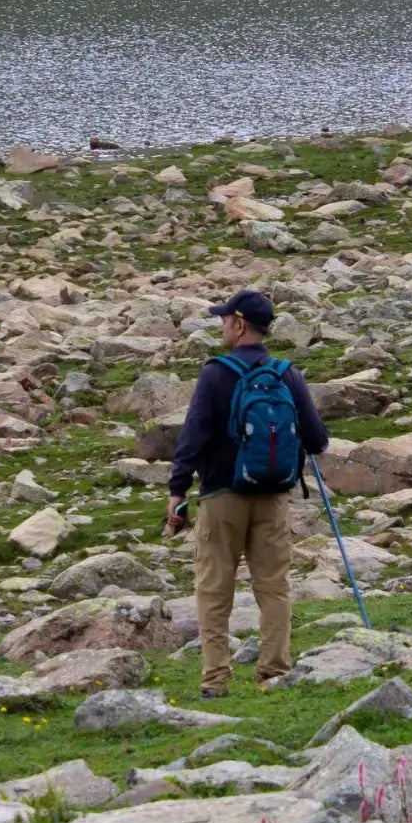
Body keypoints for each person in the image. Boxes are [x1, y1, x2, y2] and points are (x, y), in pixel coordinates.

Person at [168, 289, 329, 699]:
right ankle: (274, 673)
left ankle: (215, 681)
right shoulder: (286, 373)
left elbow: (193, 435)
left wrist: (177, 489)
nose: (221, 325)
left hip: (222, 495)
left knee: (214, 587)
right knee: (273, 585)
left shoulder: (215, 373)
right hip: (274, 496)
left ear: (239, 325)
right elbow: (317, 438)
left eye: (224, 320)